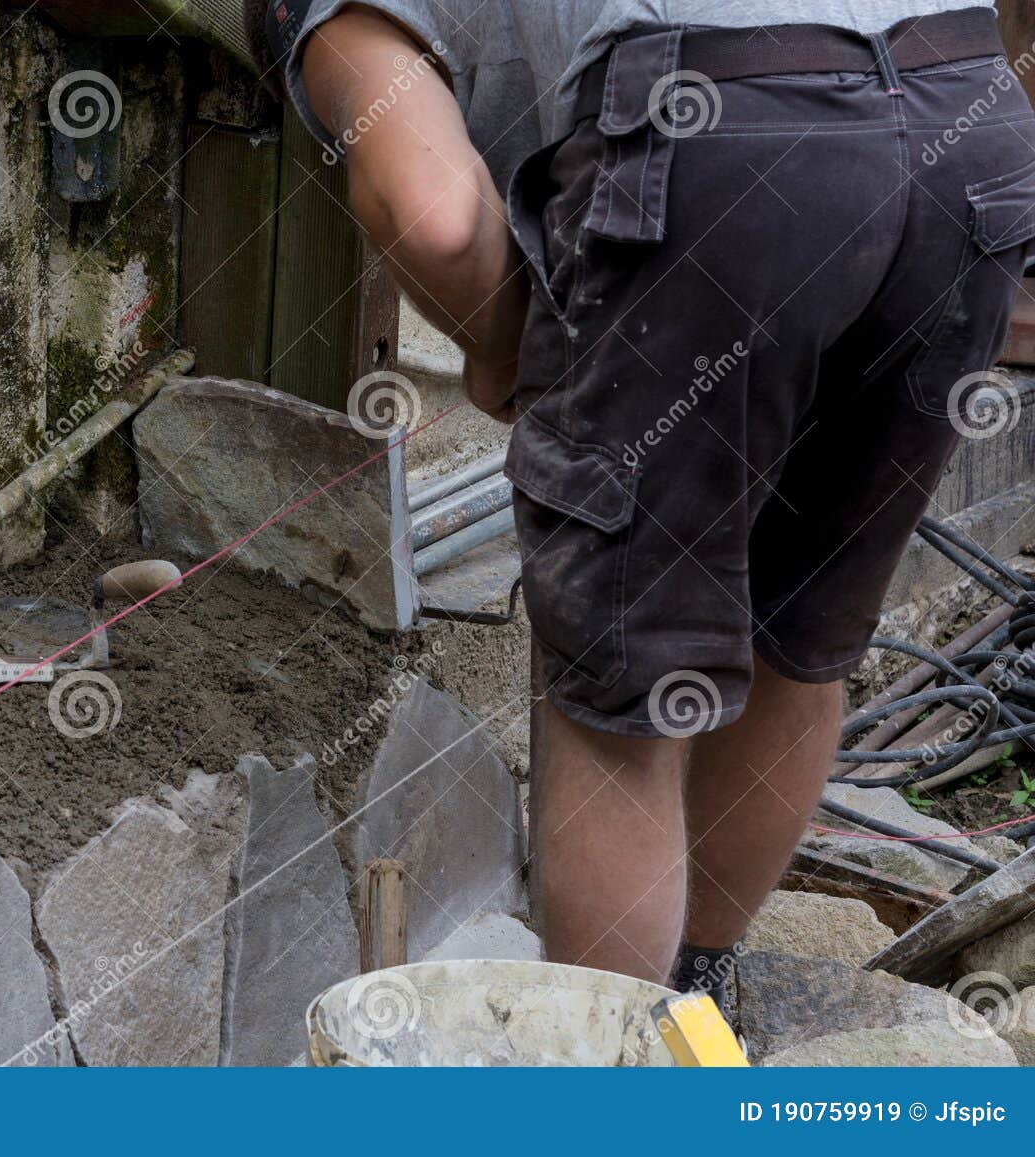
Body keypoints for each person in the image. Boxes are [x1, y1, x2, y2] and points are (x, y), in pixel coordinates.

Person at [270, 0, 1033, 1018]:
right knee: (801, 629)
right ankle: (698, 995)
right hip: (962, 111)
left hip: (726, 127)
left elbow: (444, 223)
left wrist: (504, 353)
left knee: (622, 686)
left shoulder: (323, 14)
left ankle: (615, 1080)